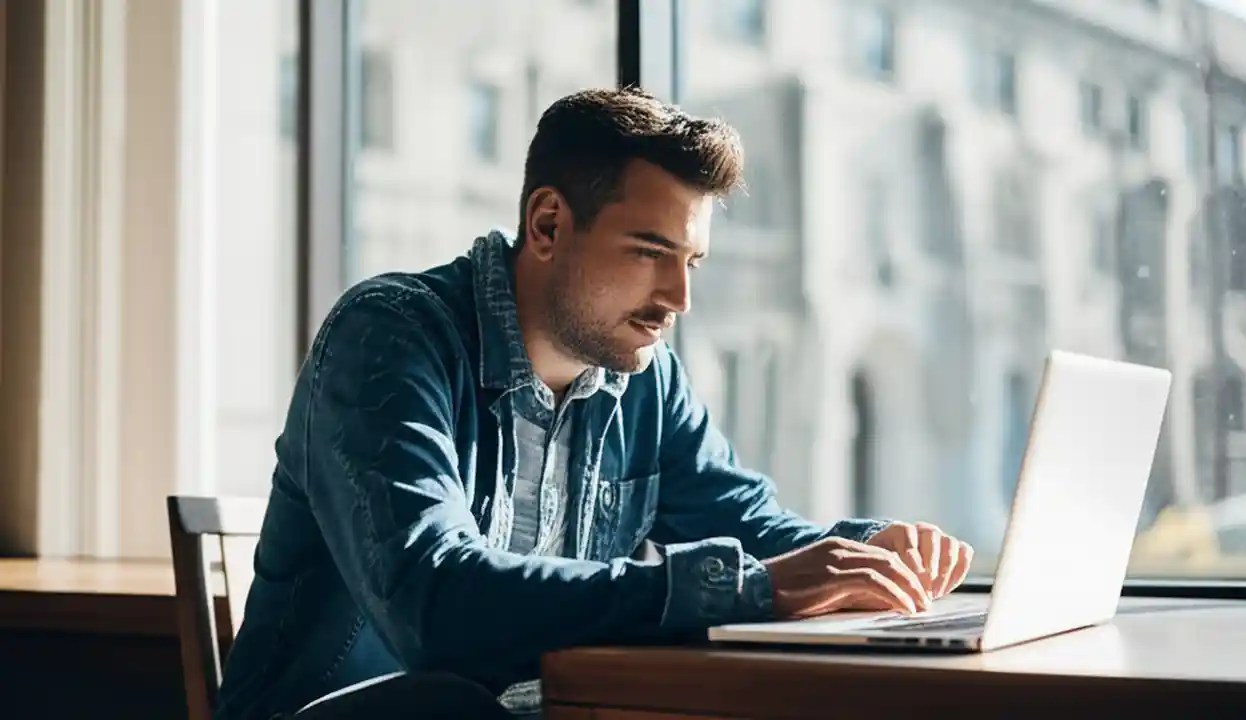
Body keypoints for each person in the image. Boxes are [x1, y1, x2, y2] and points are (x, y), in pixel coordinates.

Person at [214, 87, 973, 720]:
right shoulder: (388, 336)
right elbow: (436, 603)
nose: (678, 298)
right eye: (649, 253)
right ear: (548, 224)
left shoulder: (646, 380)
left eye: (691, 261)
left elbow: (756, 532)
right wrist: (749, 586)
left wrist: (875, 554)